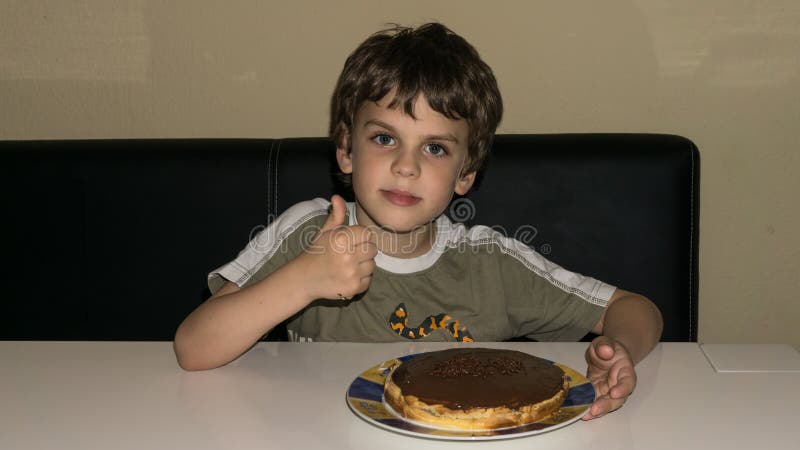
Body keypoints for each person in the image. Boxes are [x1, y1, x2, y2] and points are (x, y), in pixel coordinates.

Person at [173, 23, 663, 420]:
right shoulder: (310, 233)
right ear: (346, 149)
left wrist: (618, 349)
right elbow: (193, 349)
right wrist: (303, 280)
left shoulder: (491, 262)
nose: (406, 166)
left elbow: (635, 308)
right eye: (385, 139)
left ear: (465, 174)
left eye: (434, 148)